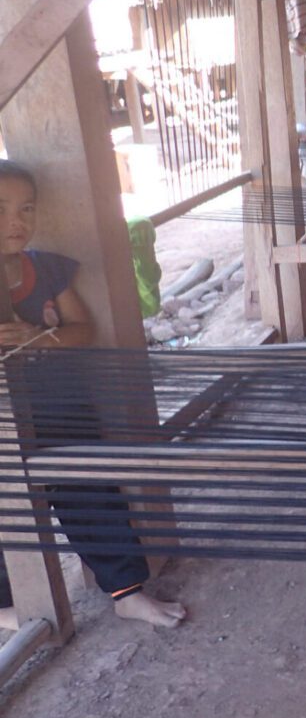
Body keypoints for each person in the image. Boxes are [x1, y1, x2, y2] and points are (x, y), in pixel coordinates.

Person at [0, 161, 187, 631]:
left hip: (62, 406)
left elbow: (82, 328)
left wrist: (35, 337)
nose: (15, 221)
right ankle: (8, 606)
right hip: (6, 419)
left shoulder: (44, 268)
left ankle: (126, 591)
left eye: (26, 208)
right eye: (0, 210)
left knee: (91, 489)